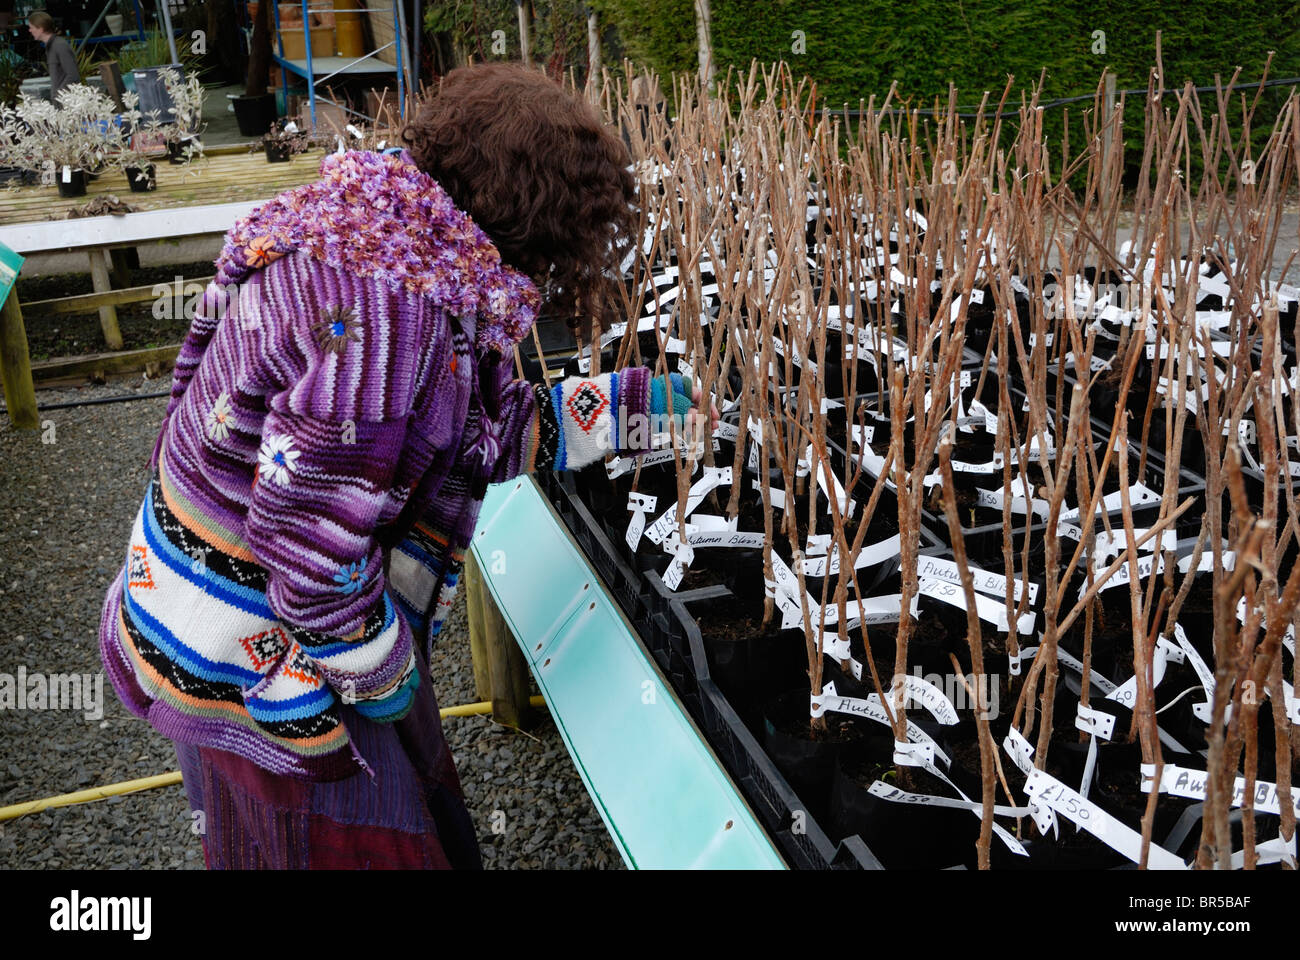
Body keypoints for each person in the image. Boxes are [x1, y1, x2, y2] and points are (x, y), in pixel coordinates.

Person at [97, 62, 712, 869]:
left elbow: (476, 433)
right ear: (533, 219)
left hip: (212, 600)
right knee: (337, 840)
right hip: (248, 652)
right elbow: (308, 554)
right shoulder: (384, 322)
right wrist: (383, 672)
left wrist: (651, 408)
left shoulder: (377, 232)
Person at [26, 11, 79, 101]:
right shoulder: (52, 46)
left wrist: (57, 94)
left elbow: (73, 75)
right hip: (62, 101)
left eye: (31, 27)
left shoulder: (59, 45)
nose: (29, 30)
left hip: (67, 103)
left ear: (41, 29)